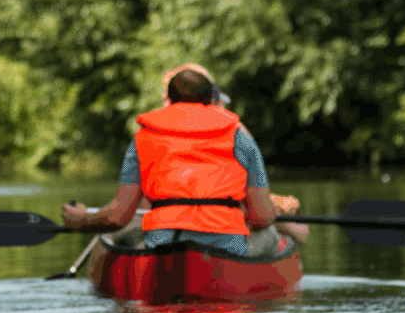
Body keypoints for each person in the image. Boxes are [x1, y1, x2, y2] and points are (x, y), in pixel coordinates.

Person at [60, 64, 309, 256]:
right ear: (210, 99)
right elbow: (262, 217)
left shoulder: (143, 138)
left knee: (128, 235)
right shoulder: (240, 138)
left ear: (169, 99)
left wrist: (80, 220)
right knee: (272, 235)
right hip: (227, 249)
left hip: (165, 244)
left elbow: (117, 217)